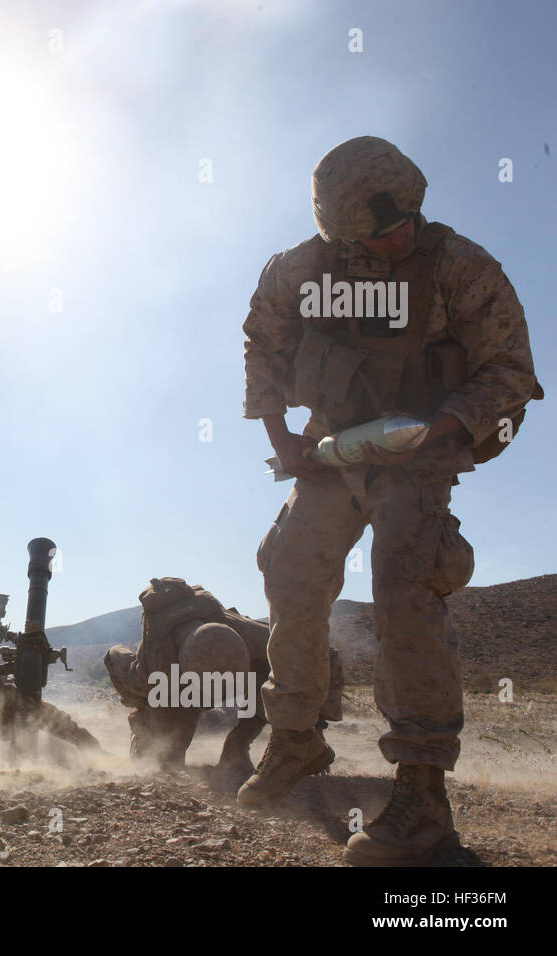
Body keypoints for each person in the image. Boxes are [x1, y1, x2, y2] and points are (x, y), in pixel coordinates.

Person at [239, 136, 539, 865]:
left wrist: (439, 428)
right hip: (334, 446)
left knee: (405, 585)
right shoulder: (300, 270)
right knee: (290, 572)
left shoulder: (461, 268)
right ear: (340, 236)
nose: (403, 234)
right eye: (382, 232)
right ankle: (296, 741)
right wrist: (283, 438)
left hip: (420, 450)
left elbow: (510, 373)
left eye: (408, 218)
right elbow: (264, 343)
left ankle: (422, 793)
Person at [104, 577, 342, 790]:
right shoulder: (156, 666)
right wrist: (143, 715)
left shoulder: (254, 637)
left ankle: (237, 748)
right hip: (179, 691)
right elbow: (118, 661)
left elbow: (323, 657)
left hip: (239, 676)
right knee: (160, 761)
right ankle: (148, 729)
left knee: (274, 683)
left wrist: (313, 726)